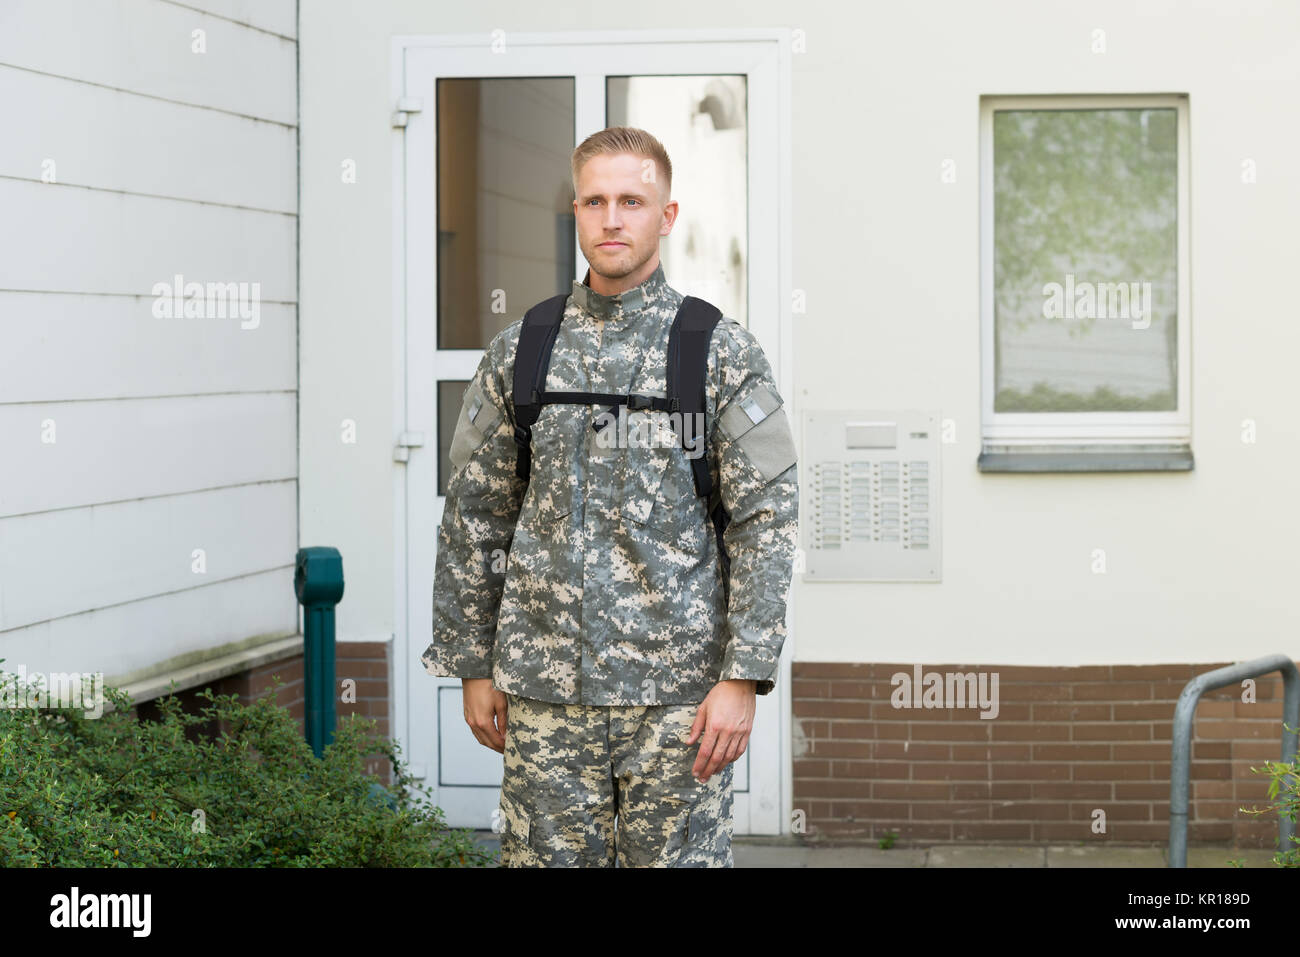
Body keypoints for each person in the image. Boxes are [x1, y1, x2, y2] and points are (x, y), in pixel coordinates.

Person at [422, 126, 797, 867]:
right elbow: (475, 517)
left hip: (678, 704)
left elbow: (766, 522)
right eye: (595, 201)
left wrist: (743, 676)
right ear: (576, 212)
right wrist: (472, 663)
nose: (612, 218)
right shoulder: (523, 350)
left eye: (632, 200)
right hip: (543, 700)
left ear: (667, 214)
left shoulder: (717, 351)